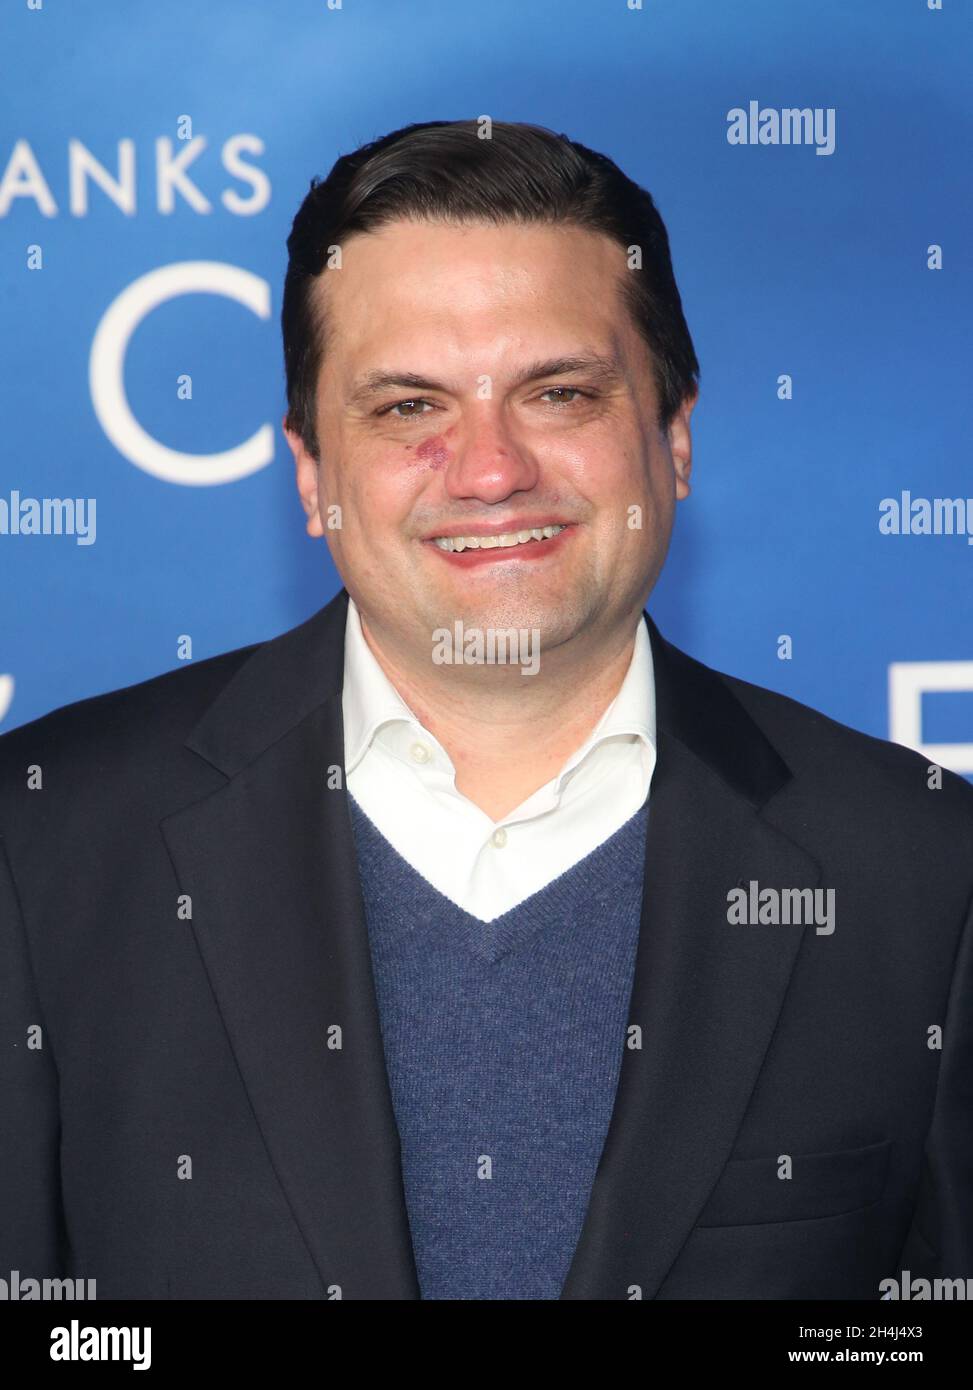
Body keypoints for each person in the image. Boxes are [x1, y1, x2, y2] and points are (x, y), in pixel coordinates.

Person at [1, 120, 971, 1301]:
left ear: (672, 438)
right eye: (408, 408)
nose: (490, 468)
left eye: (557, 392)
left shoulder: (919, 868)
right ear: (311, 475)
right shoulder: (43, 846)